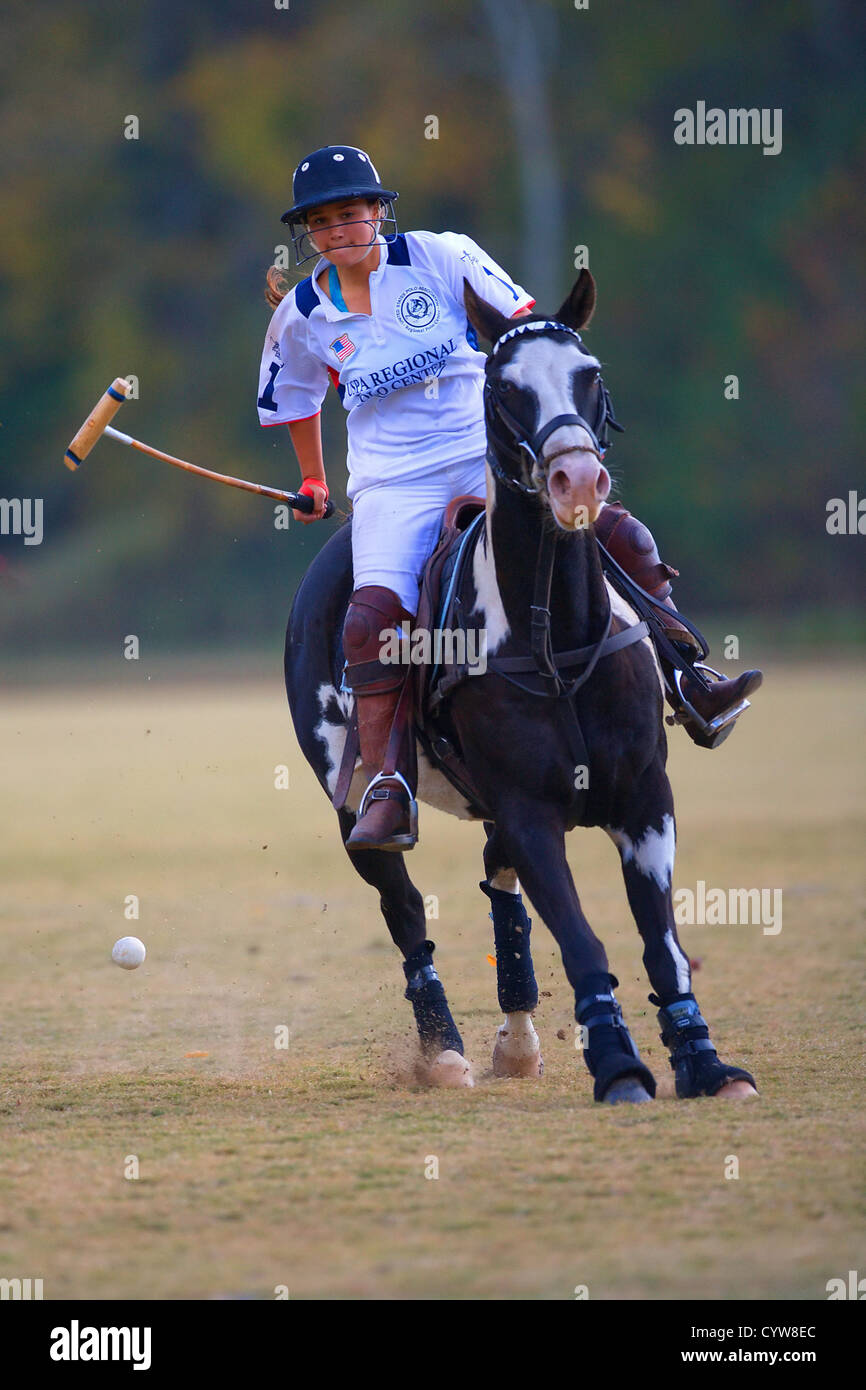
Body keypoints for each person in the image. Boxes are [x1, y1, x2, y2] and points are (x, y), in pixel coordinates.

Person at [258, 144, 761, 852]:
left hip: (484, 453)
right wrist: (312, 480)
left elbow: (528, 332)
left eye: (350, 213)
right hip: (392, 481)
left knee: (619, 533)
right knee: (370, 621)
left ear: (378, 211)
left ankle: (688, 679)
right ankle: (390, 786)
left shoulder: (440, 256)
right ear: (306, 233)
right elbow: (294, 398)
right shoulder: (302, 313)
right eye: (321, 221)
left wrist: (550, 430)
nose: (338, 230)